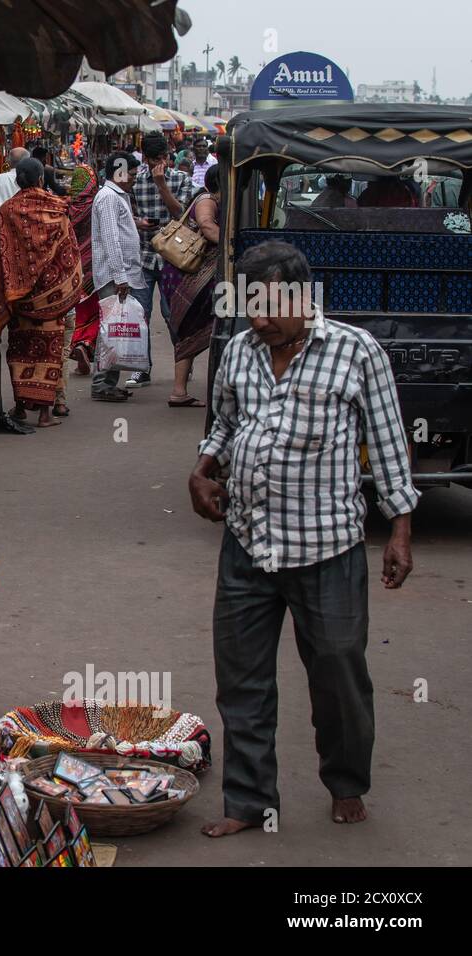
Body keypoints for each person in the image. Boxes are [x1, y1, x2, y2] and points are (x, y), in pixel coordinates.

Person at [190, 240, 418, 839]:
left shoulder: (354, 352)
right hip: (248, 540)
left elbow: (390, 444)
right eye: (250, 306)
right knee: (241, 680)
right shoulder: (240, 352)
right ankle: (248, 800)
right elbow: (225, 424)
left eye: (269, 307)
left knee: (340, 671)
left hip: (328, 547)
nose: (257, 319)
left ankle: (346, 782)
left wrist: (399, 528)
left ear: (303, 296)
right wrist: (203, 467)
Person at [0, 159, 83, 427]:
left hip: (19, 300)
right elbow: (68, 250)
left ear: (18, 180)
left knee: (20, 351)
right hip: (50, 298)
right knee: (48, 352)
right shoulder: (56, 208)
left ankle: (19, 408)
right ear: (41, 179)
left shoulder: (7, 211)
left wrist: (9, 289)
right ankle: (44, 414)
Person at [126, 130, 194, 388]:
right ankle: (142, 369)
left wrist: (162, 186)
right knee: (140, 314)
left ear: (168, 156)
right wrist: (137, 223)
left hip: (173, 258)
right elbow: (126, 214)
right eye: (152, 160)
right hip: (143, 255)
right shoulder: (135, 181)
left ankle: (182, 365)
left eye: (161, 159)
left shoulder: (181, 180)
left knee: (172, 314)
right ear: (145, 158)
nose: (157, 165)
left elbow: (182, 215)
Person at [160, 163, 222, 407]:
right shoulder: (208, 199)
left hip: (186, 275)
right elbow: (207, 226)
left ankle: (179, 390)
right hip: (188, 276)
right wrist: (232, 244)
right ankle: (178, 391)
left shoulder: (205, 198)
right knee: (190, 329)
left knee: (188, 330)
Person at [89, 151, 144, 403]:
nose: (134, 179)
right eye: (131, 174)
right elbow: (111, 239)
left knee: (115, 331)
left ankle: (108, 383)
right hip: (114, 276)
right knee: (110, 331)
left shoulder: (115, 196)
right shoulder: (109, 198)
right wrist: (120, 276)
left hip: (119, 275)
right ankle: (102, 384)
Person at [66, 163, 102, 378]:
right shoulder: (97, 204)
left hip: (74, 265)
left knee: (77, 310)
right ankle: (87, 344)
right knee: (95, 309)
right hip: (95, 265)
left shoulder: (67, 206)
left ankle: (78, 345)